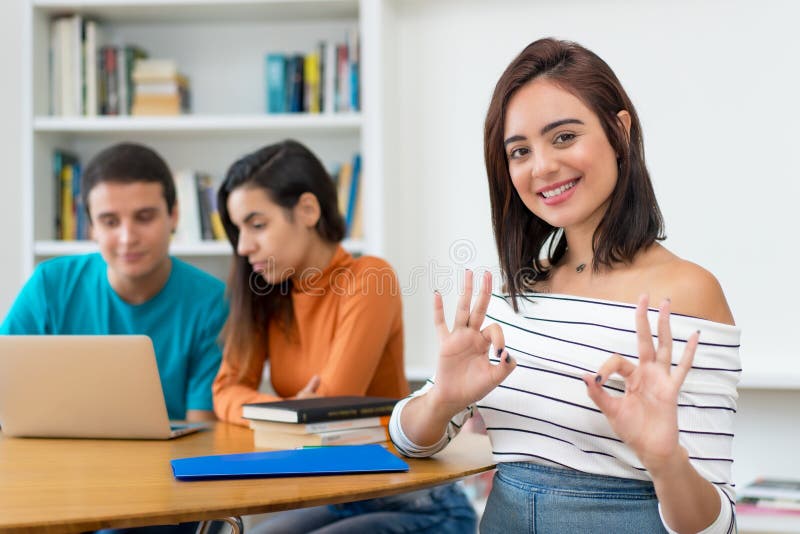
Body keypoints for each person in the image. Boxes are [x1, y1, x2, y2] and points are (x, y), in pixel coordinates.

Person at [389, 38, 741, 534]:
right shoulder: (514, 292)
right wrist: (443, 399)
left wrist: (665, 461)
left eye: (563, 137)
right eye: (519, 151)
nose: (542, 167)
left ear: (620, 130)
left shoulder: (688, 292)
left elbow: (716, 524)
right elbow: (408, 440)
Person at [213, 139, 477, 533]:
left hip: (416, 501)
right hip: (338, 497)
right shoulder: (266, 293)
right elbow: (225, 391)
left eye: (257, 224)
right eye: (238, 230)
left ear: (307, 209)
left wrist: (283, 415)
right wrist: (286, 412)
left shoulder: (368, 278)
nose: (244, 245)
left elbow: (329, 406)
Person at [0, 142, 226, 423]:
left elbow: (201, 430)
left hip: (165, 462)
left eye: (144, 217)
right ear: (92, 227)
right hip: (57, 458)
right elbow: (7, 391)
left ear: (174, 215)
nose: (127, 237)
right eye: (109, 221)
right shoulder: (49, 284)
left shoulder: (212, 302)